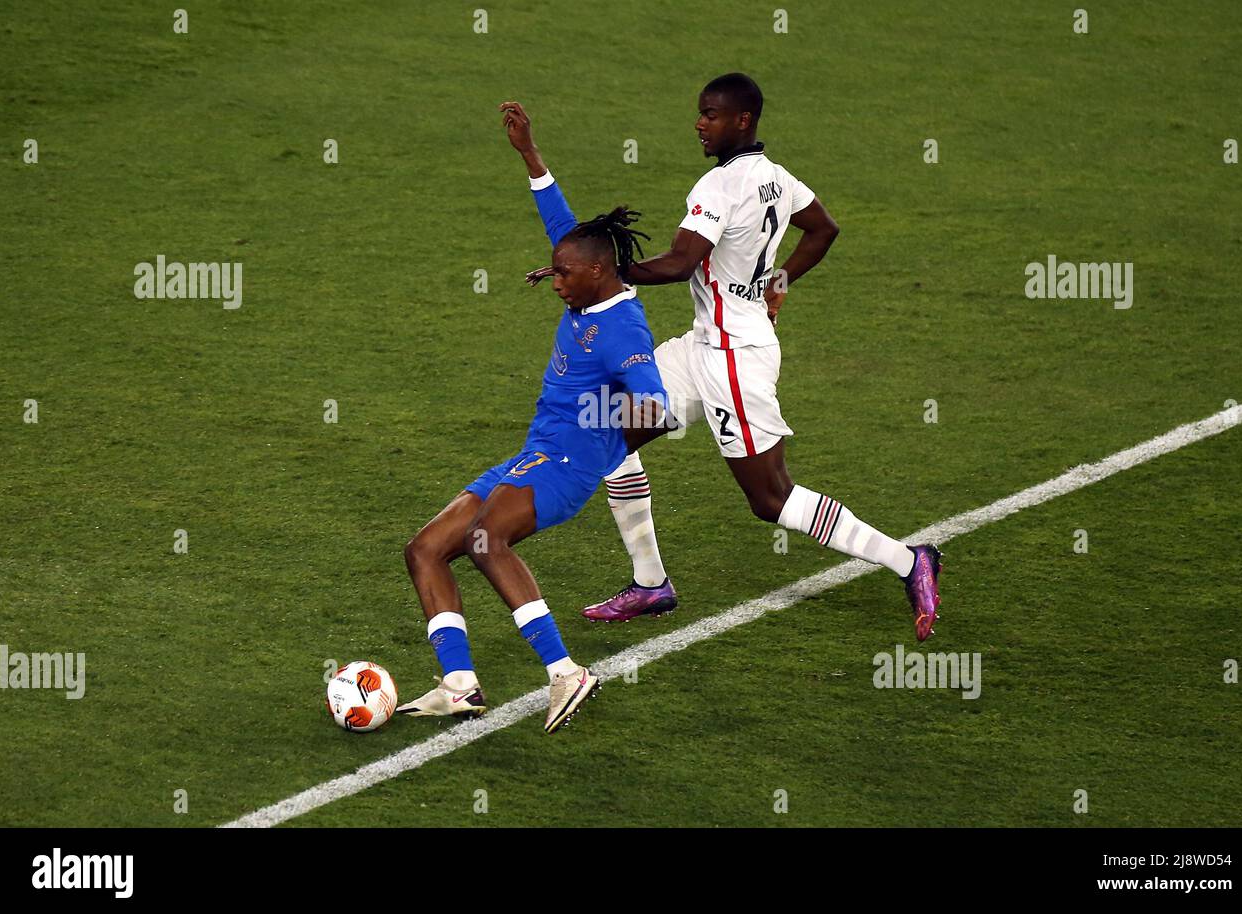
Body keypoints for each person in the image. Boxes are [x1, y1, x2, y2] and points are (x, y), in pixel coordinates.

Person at [572, 73, 943, 639]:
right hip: (704, 346)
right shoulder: (776, 178)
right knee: (603, 432)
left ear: (743, 121)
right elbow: (823, 228)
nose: (700, 123)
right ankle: (651, 585)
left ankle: (908, 559)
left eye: (712, 114)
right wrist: (780, 282)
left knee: (771, 499)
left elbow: (677, 263)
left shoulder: (717, 188)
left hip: (734, 361)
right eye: (700, 112)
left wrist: (604, 274)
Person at [397, 101, 669, 732]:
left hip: (568, 462)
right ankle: (460, 684)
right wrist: (529, 153)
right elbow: (563, 227)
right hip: (535, 452)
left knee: (488, 540)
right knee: (426, 549)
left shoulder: (623, 327)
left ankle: (566, 674)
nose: (554, 282)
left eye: (564, 275)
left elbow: (655, 409)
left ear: (598, 275)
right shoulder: (587, 270)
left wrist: (603, 444)